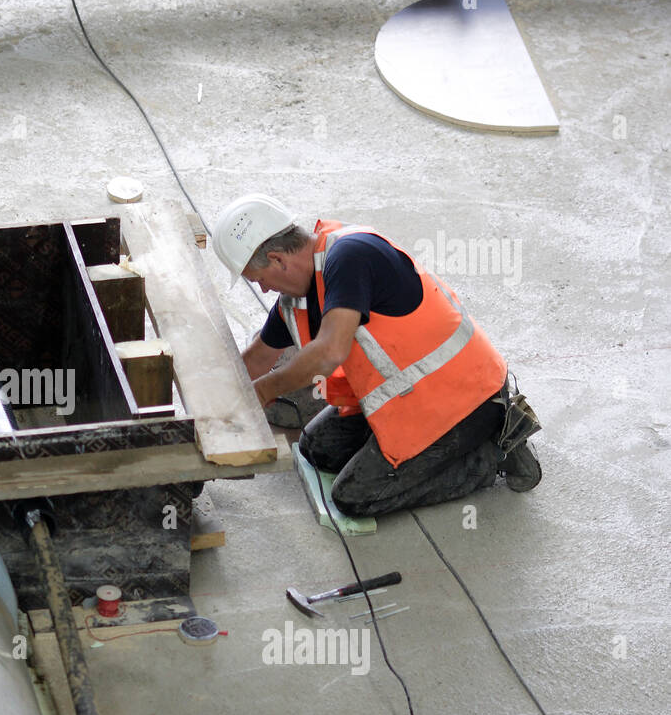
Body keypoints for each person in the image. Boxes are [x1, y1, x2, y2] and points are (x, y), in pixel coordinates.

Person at [214, 193, 541, 517]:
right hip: (408, 401)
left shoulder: (349, 256)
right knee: (317, 449)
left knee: (355, 498)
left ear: (277, 260)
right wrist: (213, 408)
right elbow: (257, 359)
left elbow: (330, 352)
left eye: (259, 280)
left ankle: (495, 452)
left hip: (465, 399)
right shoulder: (297, 298)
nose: (265, 290)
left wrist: (266, 390)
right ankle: (413, 452)